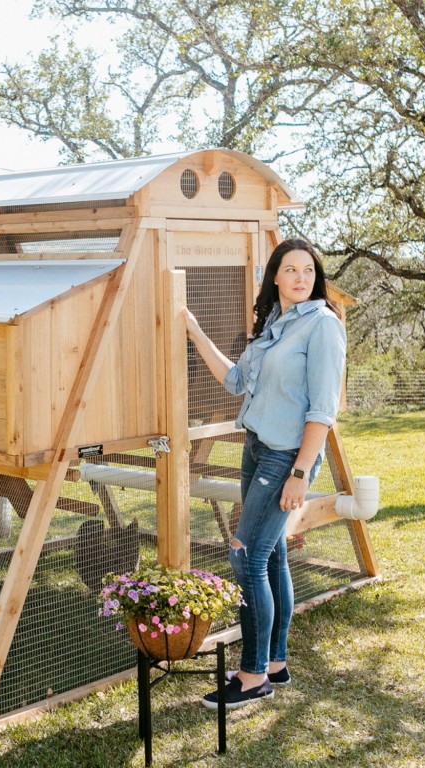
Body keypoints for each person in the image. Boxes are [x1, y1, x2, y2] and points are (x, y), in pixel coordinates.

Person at [183, 238, 346, 710]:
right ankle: (275, 662)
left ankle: (252, 676)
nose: (300, 278)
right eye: (291, 270)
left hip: (286, 457)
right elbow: (235, 381)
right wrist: (194, 331)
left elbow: (322, 410)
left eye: (309, 271)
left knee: (245, 558)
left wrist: (300, 473)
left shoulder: (321, 327)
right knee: (270, 555)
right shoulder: (275, 323)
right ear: (275, 275)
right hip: (256, 448)